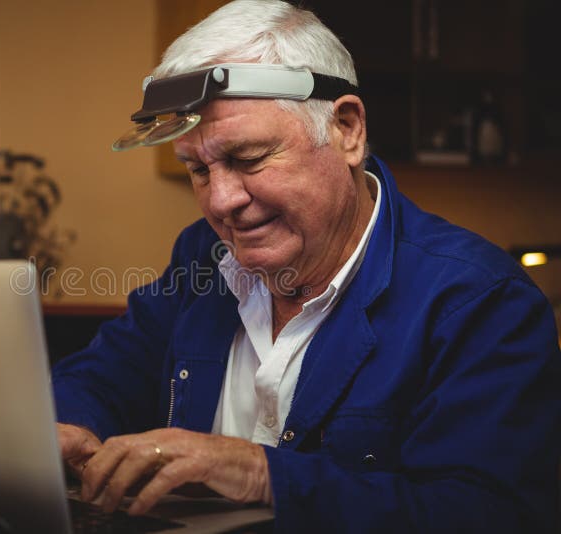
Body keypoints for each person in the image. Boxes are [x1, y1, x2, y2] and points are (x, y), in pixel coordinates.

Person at [52, 1, 561, 531]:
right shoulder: (204, 255)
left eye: (248, 159)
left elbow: (488, 515)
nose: (221, 201)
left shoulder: (480, 301)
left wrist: (261, 472)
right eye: (197, 169)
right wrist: (67, 423)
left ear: (347, 129)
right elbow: (103, 375)